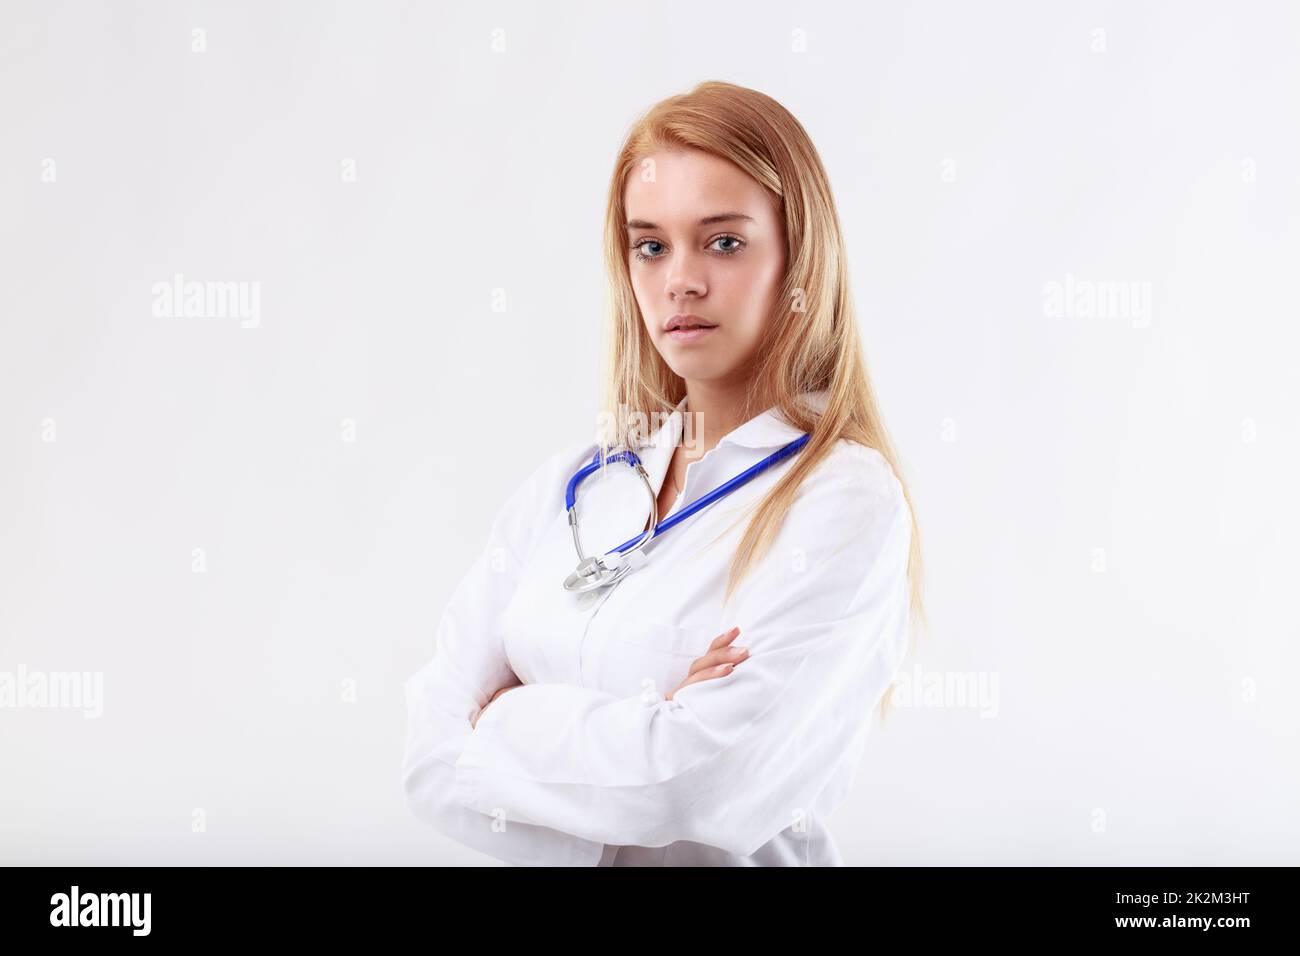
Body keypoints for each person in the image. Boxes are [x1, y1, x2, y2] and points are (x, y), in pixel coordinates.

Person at [402, 80, 926, 866]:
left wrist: (504, 721)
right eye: (651, 245)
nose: (680, 279)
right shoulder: (575, 486)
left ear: (798, 258)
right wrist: (654, 719)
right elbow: (430, 759)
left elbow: (695, 789)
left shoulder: (844, 504)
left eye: (722, 241)